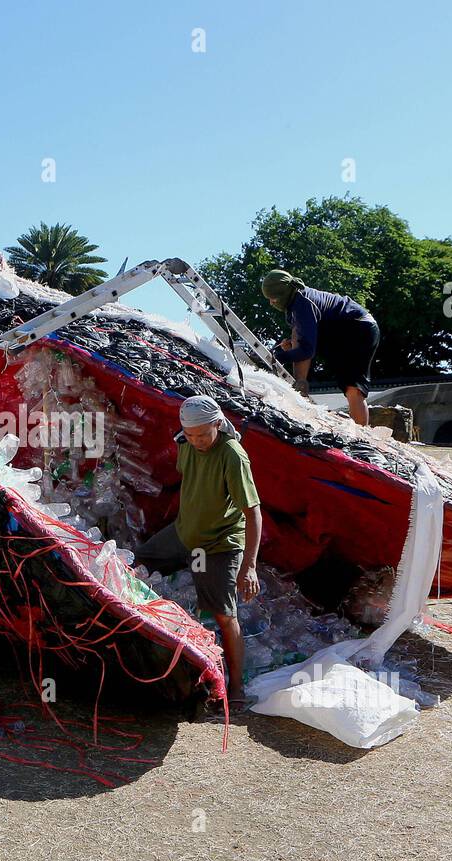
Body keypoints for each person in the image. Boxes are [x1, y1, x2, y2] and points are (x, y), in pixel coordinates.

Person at [134, 396, 262, 708]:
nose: (198, 442)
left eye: (203, 435)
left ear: (218, 424)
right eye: (191, 436)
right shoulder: (186, 444)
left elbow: (253, 513)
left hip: (218, 543)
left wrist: (249, 566)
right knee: (136, 563)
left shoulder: (233, 456)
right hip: (184, 532)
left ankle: (236, 689)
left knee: (223, 613)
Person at [260, 269, 380, 427]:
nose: (271, 303)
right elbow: (304, 339)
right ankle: (300, 383)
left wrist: (277, 357)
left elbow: (307, 350)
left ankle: (362, 440)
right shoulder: (296, 301)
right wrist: (288, 351)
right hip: (343, 332)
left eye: (273, 298)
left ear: (282, 293)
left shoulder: (302, 303)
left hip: (359, 329)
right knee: (297, 334)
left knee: (353, 388)